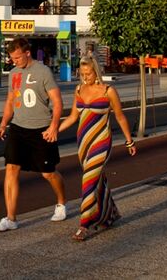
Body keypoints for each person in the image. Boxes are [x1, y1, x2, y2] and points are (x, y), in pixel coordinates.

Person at [0, 38, 67, 232]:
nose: (14, 61)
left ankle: (60, 203)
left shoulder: (43, 72)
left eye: (17, 57)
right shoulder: (14, 73)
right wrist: (3, 124)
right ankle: (10, 218)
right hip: (18, 128)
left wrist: (53, 127)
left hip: (41, 129)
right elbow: (10, 101)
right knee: (11, 168)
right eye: (12, 58)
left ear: (27, 53)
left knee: (48, 173)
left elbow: (57, 102)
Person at [59, 56, 137, 241]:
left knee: (88, 180)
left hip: (102, 140)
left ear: (97, 71)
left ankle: (85, 224)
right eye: (83, 74)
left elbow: (120, 116)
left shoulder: (108, 91)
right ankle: (110, 214)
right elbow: (72, 117)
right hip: (83, 142)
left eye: (89, 73)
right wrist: (53, 130)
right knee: (97, 180)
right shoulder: (78, 89)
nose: (86, 77)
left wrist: (129, 141)